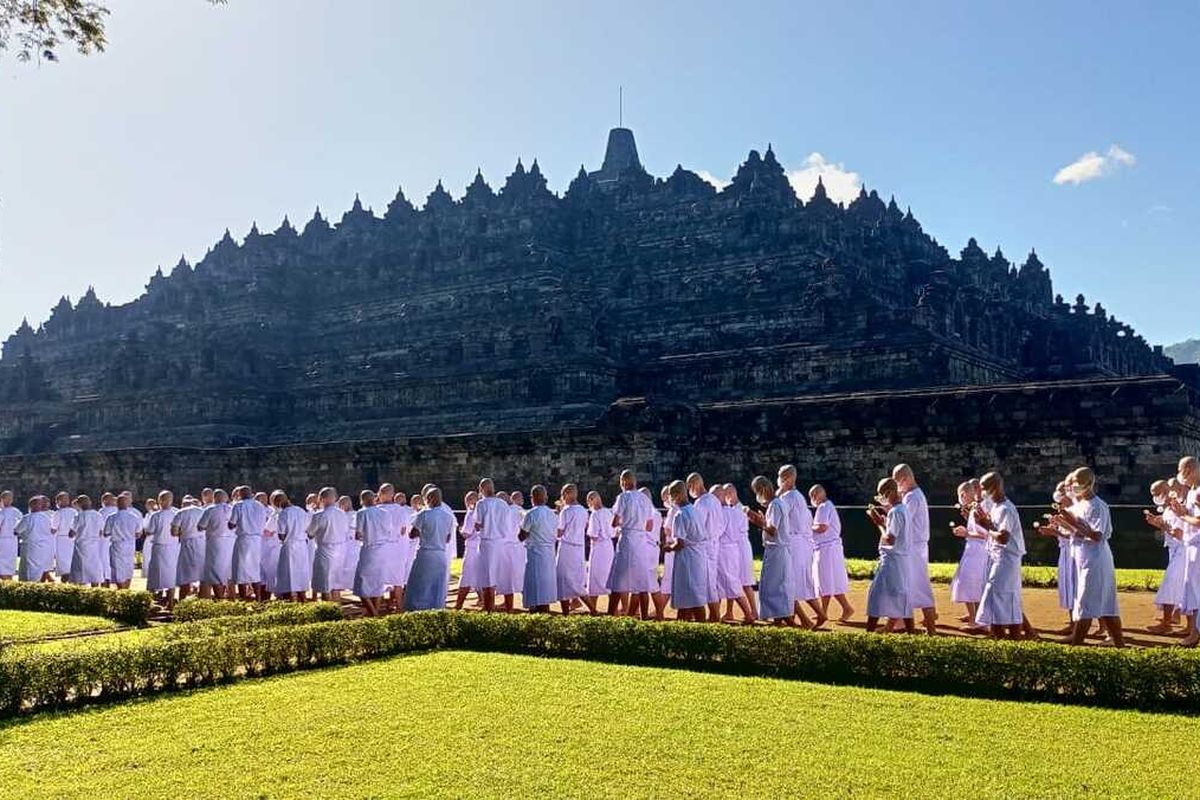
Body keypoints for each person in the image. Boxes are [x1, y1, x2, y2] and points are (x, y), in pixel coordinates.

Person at [1053, 467, 1125, 647]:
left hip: (1096, 560)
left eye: (1078, 483)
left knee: (1087, 603)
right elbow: (1076, 532)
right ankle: (1120, 645)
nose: (1074, 486)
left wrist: (1073, 522)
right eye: (1073, 482)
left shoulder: (1098, 506)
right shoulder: (1078, 505)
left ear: (1090, 483)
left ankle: (1076, 646)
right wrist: (1064, 524)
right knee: (1106, 606)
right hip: (1082, 558)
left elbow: (1096, 536)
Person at [973, 472, 1026, 640]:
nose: (982, 492)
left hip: (1006, 558)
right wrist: (983, 521)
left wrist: (986, 526)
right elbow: (992, 527)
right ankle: (1003, 637)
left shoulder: (1006, 509)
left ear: (995, 487)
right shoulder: (995, 506)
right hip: (996, 556)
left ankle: (1005, 638)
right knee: (1001, 598)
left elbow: (1003, 537)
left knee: (999, 597)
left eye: (984, 488)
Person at [864, 478, 914, 634]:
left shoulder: (895, 512)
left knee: (876, 596)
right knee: (901, 596)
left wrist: (878, 523)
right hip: (901, 561)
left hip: (892, 561)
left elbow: (890, 539)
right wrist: (884, 523)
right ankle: (911, 633)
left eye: (883, 495)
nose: (882, 498)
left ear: (891, 492)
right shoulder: (903, 509)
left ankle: (868, 634)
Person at [745, 475, 795, 626]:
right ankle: (779, 620)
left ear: (763, 489)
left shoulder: (775, 505)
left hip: (777, 550)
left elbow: (772, 530)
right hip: (776, 551)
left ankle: (784, 620)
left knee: (774, 587)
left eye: (757, 491)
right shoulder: (777, 504)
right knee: (774, 586)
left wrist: (757, 521)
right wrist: (761, 520)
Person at [893, 464, 937, 635]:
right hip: (914, 547)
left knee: (920, 586)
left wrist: (889, 509)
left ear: (905, 479)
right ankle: (900, 624)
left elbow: (902, 520)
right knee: (907, 585)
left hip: (914, 548)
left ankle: (931, 629)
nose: (897, 486)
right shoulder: (914, 495)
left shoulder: (912, 497)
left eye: (898, 482)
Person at [776, 465, 821, 628]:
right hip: (802, 544)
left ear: (788, 478)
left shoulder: (788, 497)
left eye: (781, 477)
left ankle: (804, 619)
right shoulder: (798, 496)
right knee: (800, 581)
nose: (779, 480)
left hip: (793, 543)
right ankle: (797, 616)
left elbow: (779, 518)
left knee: (787, 582)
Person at [662, 479, 710, 621]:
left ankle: (696, 626)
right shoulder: (694, 510)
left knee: (690, 597)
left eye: (671, 495)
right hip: (698, 556)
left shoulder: (680, 515)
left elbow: (679, 543)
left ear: (677, 495)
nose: (670, 499)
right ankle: (684, 626)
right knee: (693, 596)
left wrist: (667, 548)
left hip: (687, 559)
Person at [610, 470, 655, 619]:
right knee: (642, 582)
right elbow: (649, 526)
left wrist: (624, 523)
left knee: (618, 579)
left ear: (623, 482)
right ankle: (644, 616)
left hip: (627, 539)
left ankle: (610, 615)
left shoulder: (623, 497)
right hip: (640, 541)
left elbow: (614, 522)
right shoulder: (645, 499)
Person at [1144, 479, 1185, 634]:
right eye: (1153, 494)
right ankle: (1176, 617)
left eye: (1157, 493)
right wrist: (1156, 523)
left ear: (1167, 491)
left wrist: (1162, 526)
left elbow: (1179, 534)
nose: (1155, 497)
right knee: (1179, 585)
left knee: (1170, 584)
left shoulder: (1176, 507)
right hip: (1174, 549)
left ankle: (1167, 624)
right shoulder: (1168, 509)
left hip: (1182, 550)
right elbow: (1168, 529)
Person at [405, 487, 454, 611]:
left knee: (419, 586)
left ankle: (417, 611)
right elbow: (447, 538)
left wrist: (425, 533)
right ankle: (436, 610)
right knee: (437, 588)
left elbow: (412, 534)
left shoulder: (424, 514)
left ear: (430, 499)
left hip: (426, 554)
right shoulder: (448, 517)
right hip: (440, 555)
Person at [810, 484, 852, 622]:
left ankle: (836, 610)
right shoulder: (827, 506)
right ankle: (827, 611)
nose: (812, 498)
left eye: (813, 495)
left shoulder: (823, 507)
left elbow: (822, 528)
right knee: (829, 581)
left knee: (826, 581)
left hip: (827, 549)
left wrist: (807, 527)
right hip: (827, 548)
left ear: (818, 494)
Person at [949, 481, 988, 631]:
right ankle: (975, 617)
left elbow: (985, 535)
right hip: (973, 549)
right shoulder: (974, 508)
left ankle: (977, 620)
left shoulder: (979, 508)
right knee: (968, 583)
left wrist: (966, 533)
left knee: (970, 583)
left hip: (978, 551)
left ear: (963, 494)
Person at [714, 483, 755, 623]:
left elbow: (718, 531)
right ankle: (721, 613)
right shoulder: (731, 511)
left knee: (735, 582)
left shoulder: (728, 512)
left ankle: (750, 613)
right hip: (731, 549)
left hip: (728, 550)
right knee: (722, 582)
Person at [687, 474, 724, 622]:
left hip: (704, 546)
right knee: (710, 582)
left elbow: (697, 528)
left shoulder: (701, 503)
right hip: (714, 544)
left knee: (707, 584)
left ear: (695, 485)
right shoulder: (714, 500)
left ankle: (715, 617)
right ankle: (714, 616)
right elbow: (721, 525)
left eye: (690, 486)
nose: (690, 490)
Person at [519, 485, 558, 613]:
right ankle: (545, 612)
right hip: (549, 553)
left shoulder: (531, 514)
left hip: (535, 553)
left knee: (535, 587)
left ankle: (536, 614)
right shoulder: (552, 514)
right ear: (545, 498)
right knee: (546, 587)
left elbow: (522, 536)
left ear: (533, 498)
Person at [307, 486, 349, 602]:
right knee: (335, 584)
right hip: (340, 550)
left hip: (325, 551)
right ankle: (337, 607)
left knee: (325, 584)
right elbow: (345, 531)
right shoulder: (342, 514)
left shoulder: (319, 515)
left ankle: (328, 609)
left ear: (322, 499)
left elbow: (310, 533)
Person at [473, 478, 509, 613]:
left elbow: (478, 524)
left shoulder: (481, 504)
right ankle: (505, 606)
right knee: (500, 574)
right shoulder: (503, 504)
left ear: (482, 489)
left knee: (487, 577)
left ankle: (489, 609)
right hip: (501, 542)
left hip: (487, 542)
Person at [555, 484, 591, 615]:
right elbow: (585, 527)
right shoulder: (583, 510)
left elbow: (559, 532)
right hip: (579, 548)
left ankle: (565, 613)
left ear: (567, 494)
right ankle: (590, 608)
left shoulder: (566, 511)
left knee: (562, 578)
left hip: (567, 547)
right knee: (577, 579)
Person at [354, 490, 390, 615]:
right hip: (383, 550)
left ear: (362, 500)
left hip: (369, 549)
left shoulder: (362, 512)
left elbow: (358, 534)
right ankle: (374, 612)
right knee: (378, 582)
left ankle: (373, 613)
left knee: (361, 582)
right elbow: (389, 531)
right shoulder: (385, 513)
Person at [228, 486, 266, 600]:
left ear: (240, 495)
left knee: (241, 569)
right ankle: (258, 598)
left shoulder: (238, 505)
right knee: (255, 569)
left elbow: (232, 524)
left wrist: (231, 524)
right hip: (257, 540)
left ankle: (243, 598)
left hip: (244, 539)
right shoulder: (260, 506)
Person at [275, 490, 312, 602]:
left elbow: (281, 535)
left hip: (289, 545)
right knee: (301, 572)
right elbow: (308, 528)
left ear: (279, 503)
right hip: (302, 545)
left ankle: (290, 598)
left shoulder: (283, 514)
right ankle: (303, 597)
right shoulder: (301, 511)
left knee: (288, 573)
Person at [144, 490, 179, 607]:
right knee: (170, 573)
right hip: (171, 547)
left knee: (155, 573)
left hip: (160, 547)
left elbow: (150, 531)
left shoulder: (156, 515)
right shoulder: (176, 514)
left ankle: (150, 602)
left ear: (160, 501)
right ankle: (170, 602)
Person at [198, 489, 234, 599]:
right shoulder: (232, 509)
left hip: (215, 542)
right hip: (230, 542)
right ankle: (232, 597)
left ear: (214, 498)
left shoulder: (210, 509)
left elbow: (201, 526)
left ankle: (220, 597)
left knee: (214, 570)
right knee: (228, 570)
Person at [584, 491, 614, 613]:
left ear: (592, 500)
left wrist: (587, 530)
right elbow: (614, 531)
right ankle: (612, 610)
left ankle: (593, 610)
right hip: (609, 547)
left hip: (599, 548)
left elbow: (594, 535)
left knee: (594, 578)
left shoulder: (595, 515)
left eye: (588, 501)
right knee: (608, 577)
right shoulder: (608, 512)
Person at [103, 493, 141, 589]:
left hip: (117, 545)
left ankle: (121, 590)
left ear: (116, 504)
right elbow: (138, 534)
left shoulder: (112, 517)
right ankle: (126, 589)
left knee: (118, 568)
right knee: (128, 567)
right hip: (130, 545)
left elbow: (106, 533)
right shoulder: (134, 517)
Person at [173, 494, 207, 602]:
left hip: (187, 543)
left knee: (184, 573)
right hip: (202, 543)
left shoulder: (181, 512)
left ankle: (182, 600)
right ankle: (204, 600)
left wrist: (183, 531)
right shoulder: (203, 511)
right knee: (203, 573)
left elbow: (174, 532)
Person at [67, 495, 105, 587]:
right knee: (94, 566)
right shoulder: (98, 515)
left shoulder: (78, 516)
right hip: (94, 545)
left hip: (81, 546)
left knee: (80, 568)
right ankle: (95, 587)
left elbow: (71, 533)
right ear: (90, 502)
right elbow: (101, 532)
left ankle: (80, 589)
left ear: (79, 504)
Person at [454, 491, 481, 610]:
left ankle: (458, 604)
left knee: (466, 575)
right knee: (479, 574)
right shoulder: (483, 512)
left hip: (472, 547)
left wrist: (460, 530)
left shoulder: (471, 513)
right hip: (482, 547)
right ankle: (482, 599)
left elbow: (466, 533)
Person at [259, 492, 282, 601]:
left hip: (271, 547)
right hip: (277, 546)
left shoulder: (275, 514)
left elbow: (267, 531)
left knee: (269, 572)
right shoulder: (285, 512)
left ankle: (269, 596)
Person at [51, 491, 77, 583]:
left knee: (64, 564)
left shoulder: (58, 513)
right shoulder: (74, 512)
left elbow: (53, 529)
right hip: (73, 539)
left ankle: (65, 580)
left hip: (61, 540)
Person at [337, 495, 360, 591]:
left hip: (353, 544)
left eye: (342, 504)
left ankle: (352, 585)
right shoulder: (340, 515)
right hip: (342, 544)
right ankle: (341, 585)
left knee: (352, 564)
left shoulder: (357, 514)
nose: (340, 506)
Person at [0, 490, 23, 580]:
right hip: (3, 539)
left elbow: (22, 523)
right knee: (3, 560)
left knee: (11, 560)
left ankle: (8, 578)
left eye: (10, 498)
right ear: (2, 499)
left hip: (12, 539)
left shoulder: (16, 511)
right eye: (7, 498)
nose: (9, 500)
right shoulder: (1, 512)